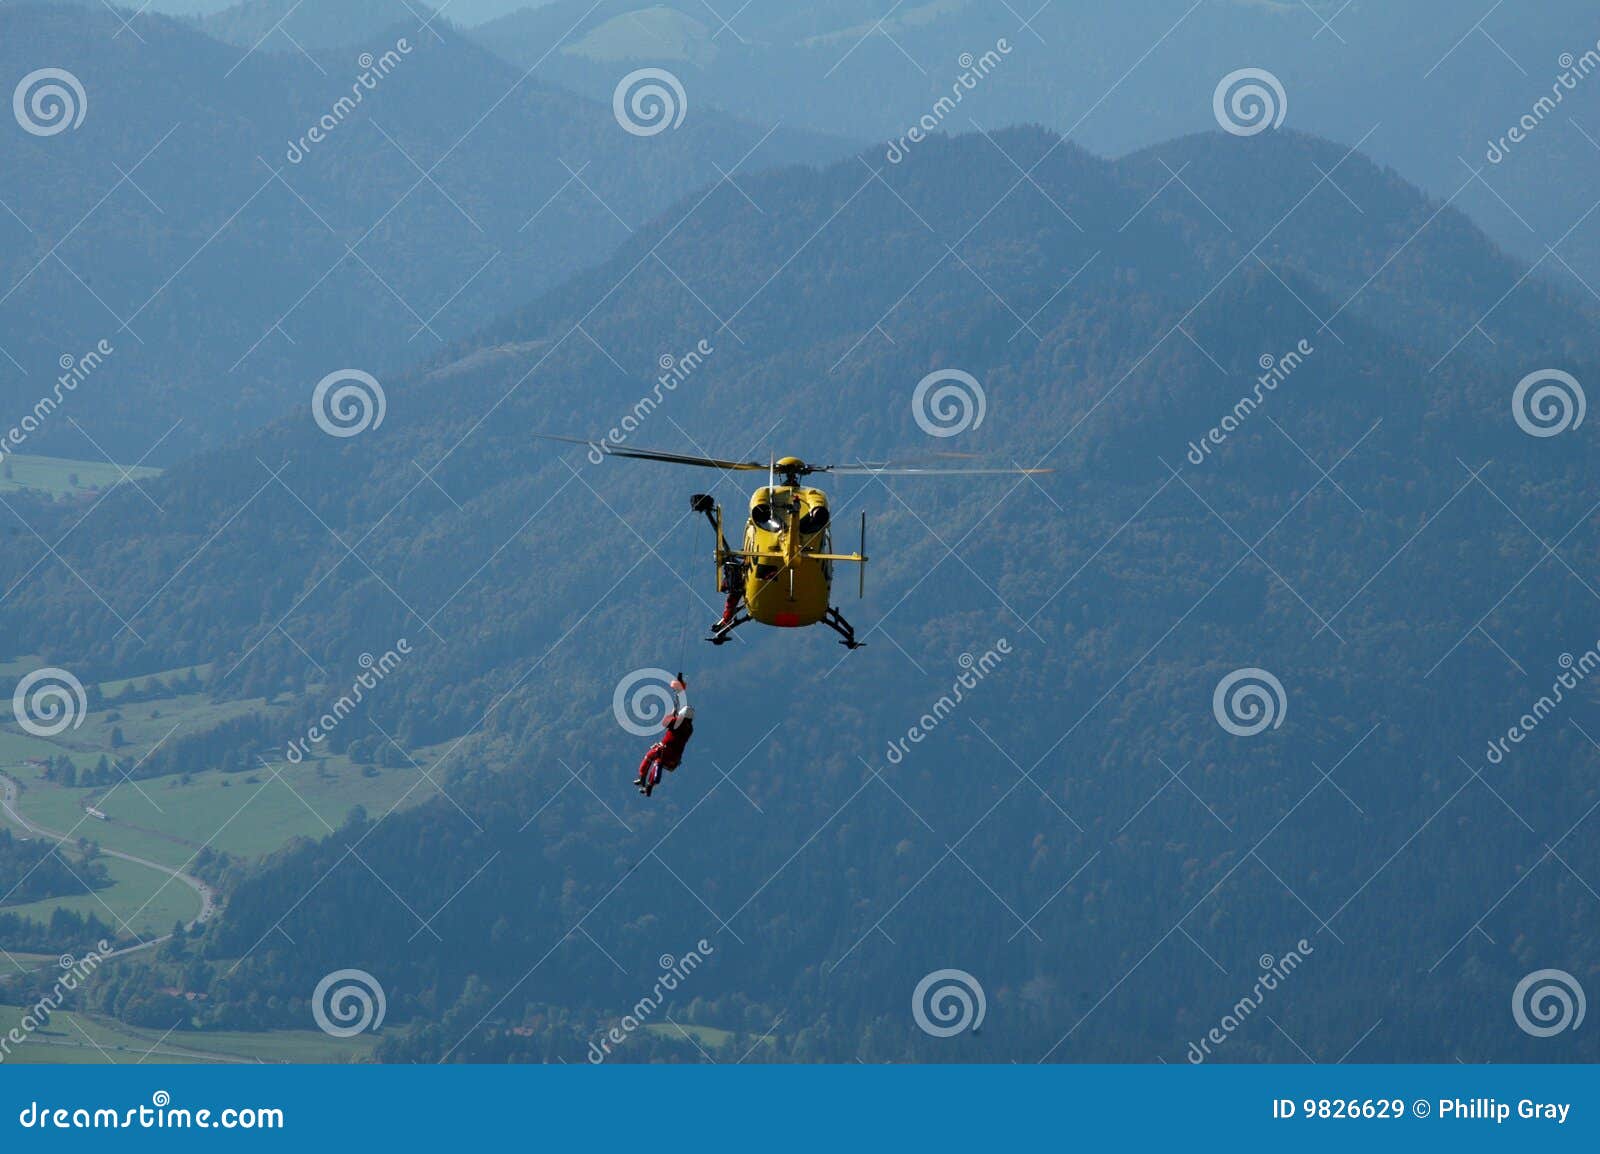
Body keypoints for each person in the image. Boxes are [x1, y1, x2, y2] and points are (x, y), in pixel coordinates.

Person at [635, 673, 693, 797]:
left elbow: (666, 722)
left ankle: (642, 777)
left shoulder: (678, 723)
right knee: (657, 763)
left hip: (665, 751)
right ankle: (648, 787)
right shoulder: (689, 728)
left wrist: (673, 712)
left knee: (651, 757)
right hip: (674, 757)